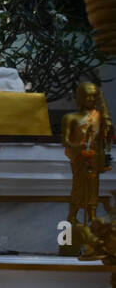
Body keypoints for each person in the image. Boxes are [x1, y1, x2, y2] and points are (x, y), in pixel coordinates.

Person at [62, 81, 114, 233]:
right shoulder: (71, 118)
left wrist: (107, 125)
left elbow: (107, 134)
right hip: (79, 156)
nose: (90, 100)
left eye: (93, 97)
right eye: (87, 97)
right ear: (80, 98)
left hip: (95, 154)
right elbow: (65, 140)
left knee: (93, 186)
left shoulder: (98, 116)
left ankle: (91, 215)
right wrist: (79, 147)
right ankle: (72, 215)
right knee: (78, 185)